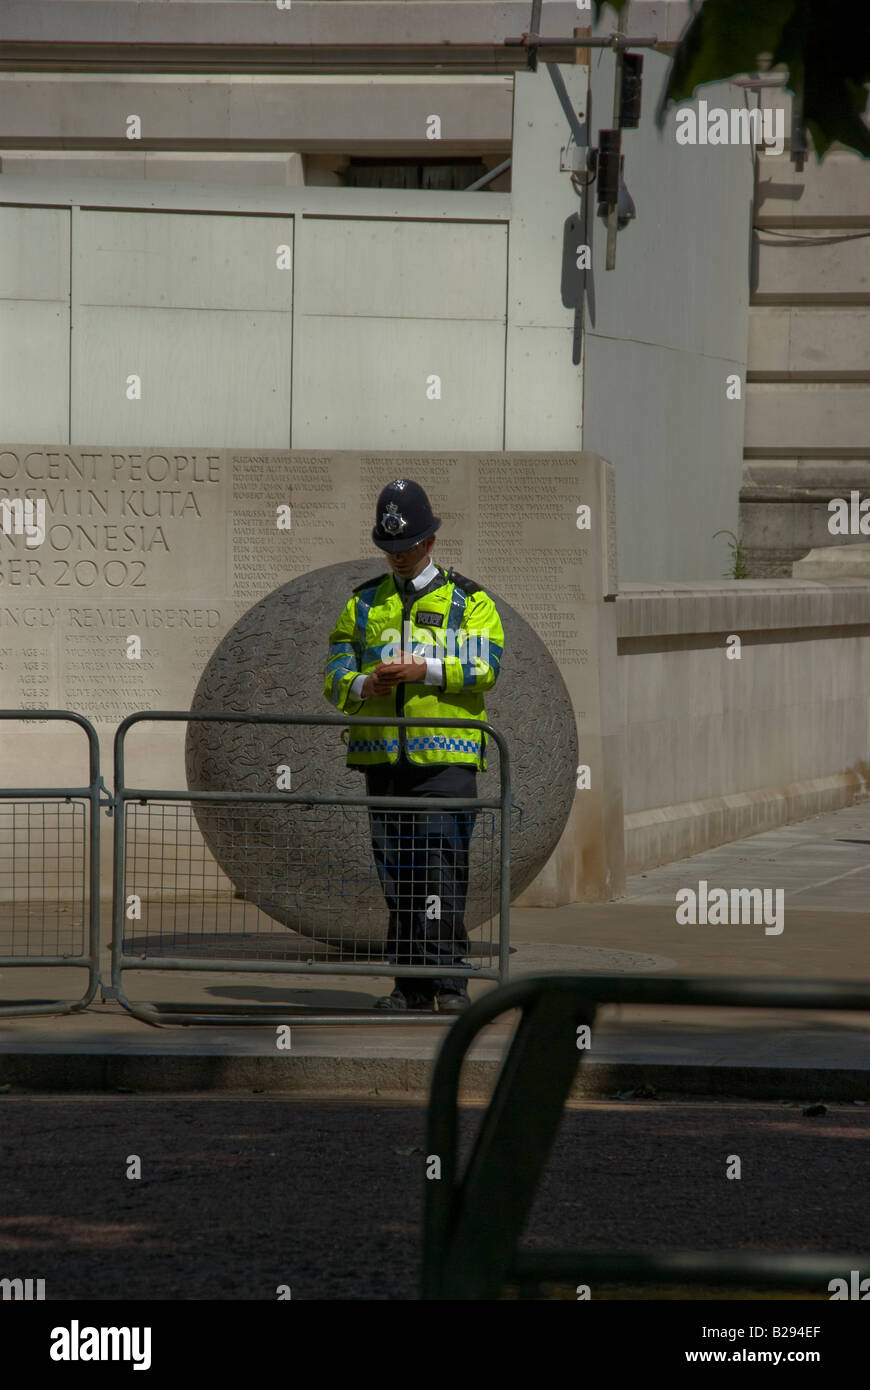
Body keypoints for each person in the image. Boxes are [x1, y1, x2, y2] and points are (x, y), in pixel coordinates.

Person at [323, 478, 505, 1013]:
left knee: (440, 869)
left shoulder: (469, 602)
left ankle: (449, 983)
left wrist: (422, 670)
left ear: (430, 542)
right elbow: (334, 673)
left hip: (446, 761)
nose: (399, 558)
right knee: (398, 871)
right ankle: (408, 986)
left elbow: (484, 668)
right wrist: (363, 685)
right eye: (390, 550)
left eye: (407, 548)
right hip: (383, 761)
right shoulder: (362, 604)